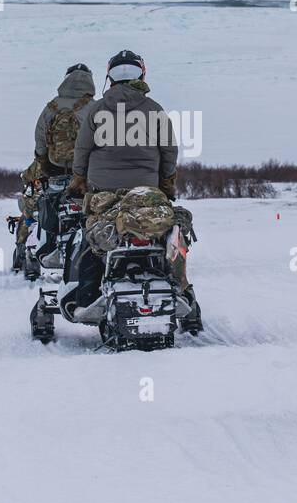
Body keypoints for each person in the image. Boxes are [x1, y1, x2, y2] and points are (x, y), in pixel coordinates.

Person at [67, 50, 199, 328]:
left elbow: (82, 150)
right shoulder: (154, 109)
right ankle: (183, 291)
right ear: (142, 73)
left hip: (103, 193)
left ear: (110, 76)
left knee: (91, 238)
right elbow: (169, 152)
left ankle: (86, 298)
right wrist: (166, 185)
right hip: (146, 192)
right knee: (168, 235)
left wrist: (79, 179)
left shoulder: (96, 110)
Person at [11, 63, 96, 267]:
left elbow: (40, 140)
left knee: (44, 207)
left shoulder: (52, 107)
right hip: (86, 175)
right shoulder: (96, 108)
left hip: (55, 172)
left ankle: (38, 249)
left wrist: (44, 165)